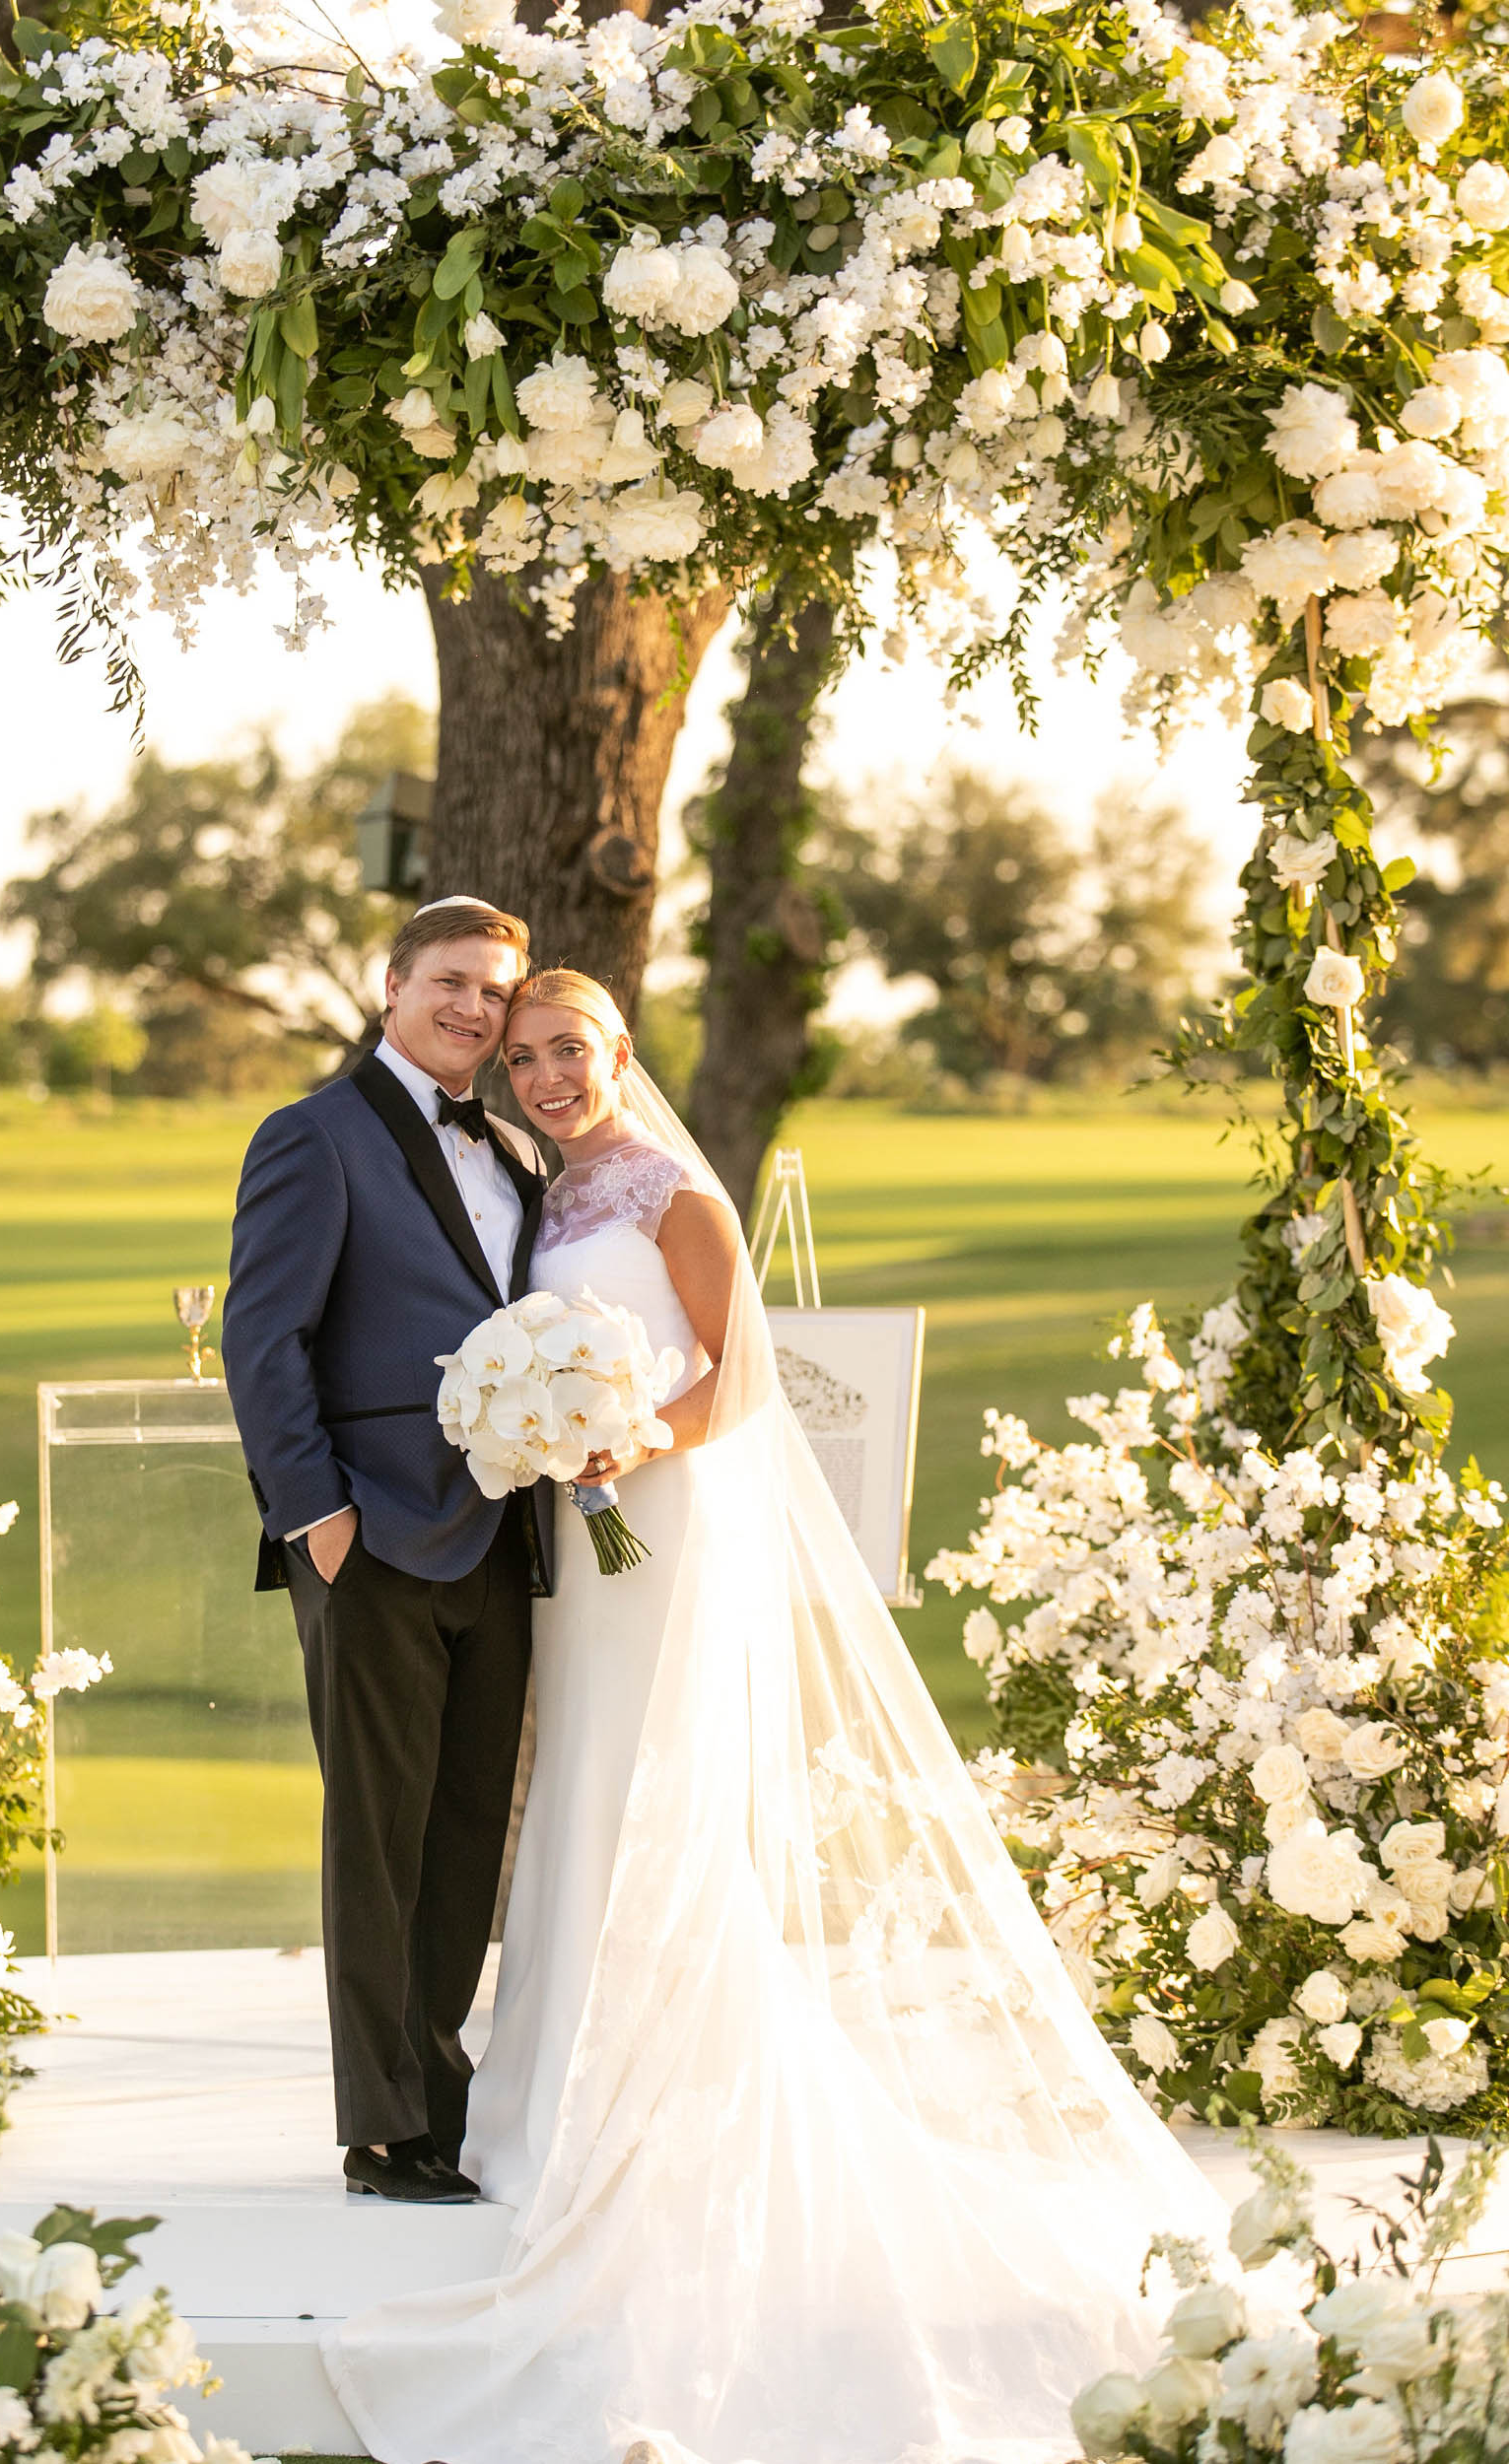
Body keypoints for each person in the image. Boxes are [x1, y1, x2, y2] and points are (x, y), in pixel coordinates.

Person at [323, 968, 1230, 2463]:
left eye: (572, 1049)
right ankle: (543, 2095)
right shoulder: (551, 1193)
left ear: (621, 1055)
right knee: (584, 1796)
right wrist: (542, 1432)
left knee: (647, 1790)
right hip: (581, 1544)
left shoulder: (678, 1192)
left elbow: (741, 1382)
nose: (546, 1073)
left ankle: (645, 2100)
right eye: (529, 1053)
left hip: (656, 1527)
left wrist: (615, 1439)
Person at [221, 896, 555, 2206]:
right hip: (369, 1532)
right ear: (393, 986)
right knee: (379, 1833)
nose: (472, 1008)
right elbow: (265, 1341)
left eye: (493, 992)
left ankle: (442, 2091)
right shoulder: (314, 1137)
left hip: (495, 1529)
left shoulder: (521, 1159)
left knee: (468, 1827)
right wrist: (319, 1518)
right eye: (452, 982)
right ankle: (380, 2128)